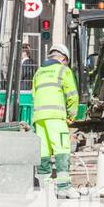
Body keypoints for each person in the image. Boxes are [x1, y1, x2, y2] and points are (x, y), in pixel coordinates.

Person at [31, 42, 79, 193]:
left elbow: (34, 94)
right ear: (64, 59)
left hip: (39, 117)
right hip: (56, 116)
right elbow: (72, 96)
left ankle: (43, 187)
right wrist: (72, 115)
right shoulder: (63, 70)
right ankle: (63, 187)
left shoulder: (38, 72)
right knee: (62, 149)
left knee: (43, 151)